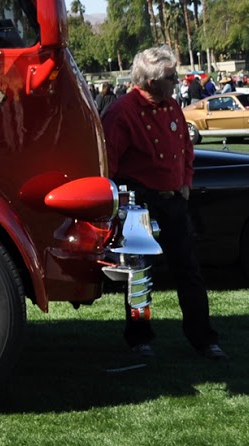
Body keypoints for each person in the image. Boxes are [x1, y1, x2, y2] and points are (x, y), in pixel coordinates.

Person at [101, 45, 225, 361]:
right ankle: (140, 339)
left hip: (173, 202)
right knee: (140, 276)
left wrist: (185, 183)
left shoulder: (171, 108)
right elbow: (107, 166)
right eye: (171, 77)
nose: (177, 82)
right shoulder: (121, 113)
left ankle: (204, 339)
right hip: (140, 207)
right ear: (151, 81)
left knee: (190, 271)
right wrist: (115, 208)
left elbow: (185, 148)